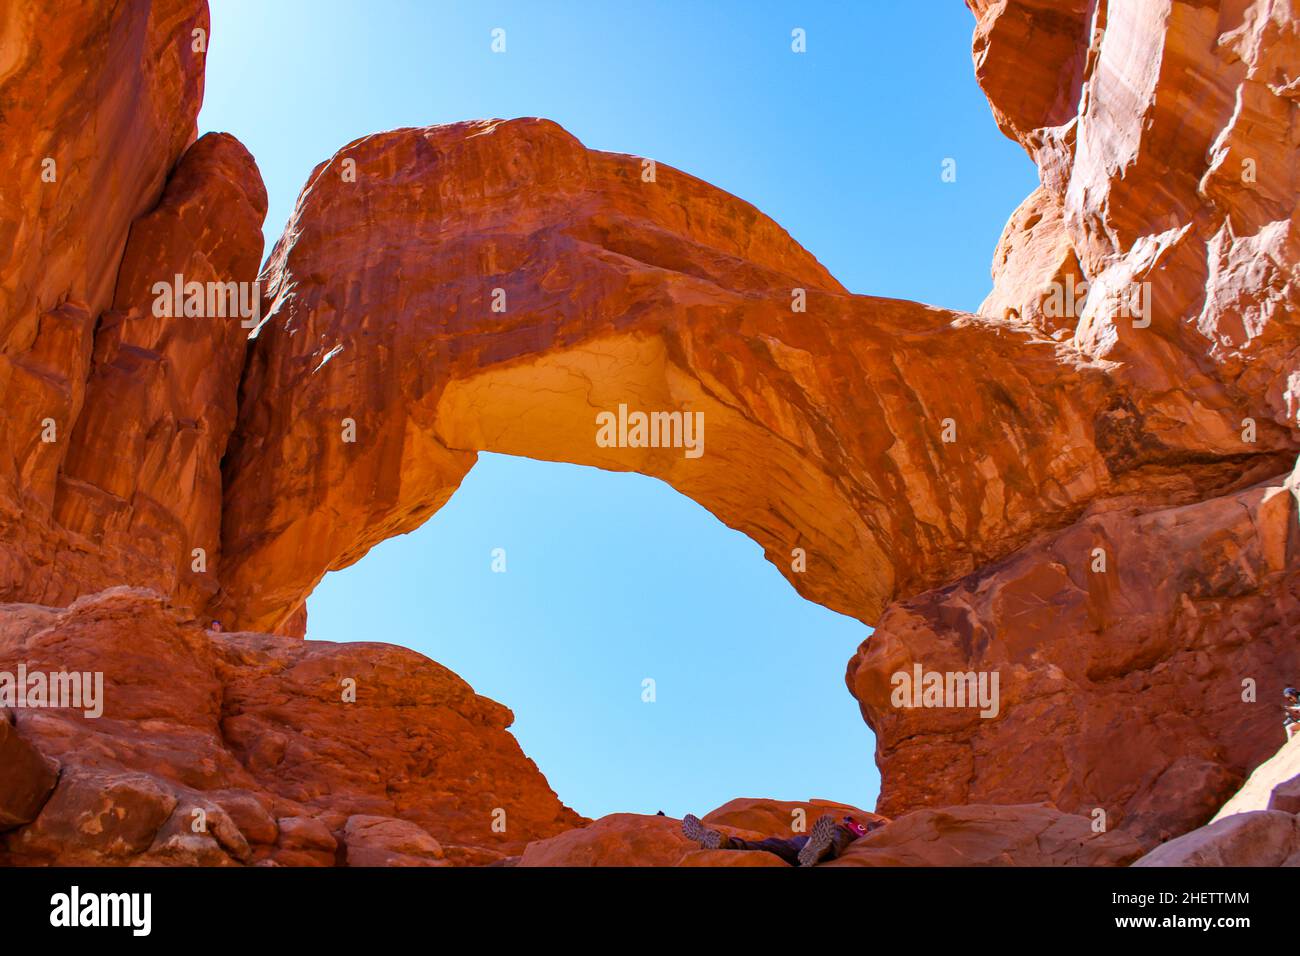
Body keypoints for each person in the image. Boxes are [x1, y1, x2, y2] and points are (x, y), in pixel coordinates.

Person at [681, 811, 881, 867]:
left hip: (836, 837)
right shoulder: (856, 824)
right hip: (807, 842)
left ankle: (729, 844)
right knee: (772, 845)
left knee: (772, 847)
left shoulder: (858, 828)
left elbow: (880, 833)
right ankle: (724, 843)